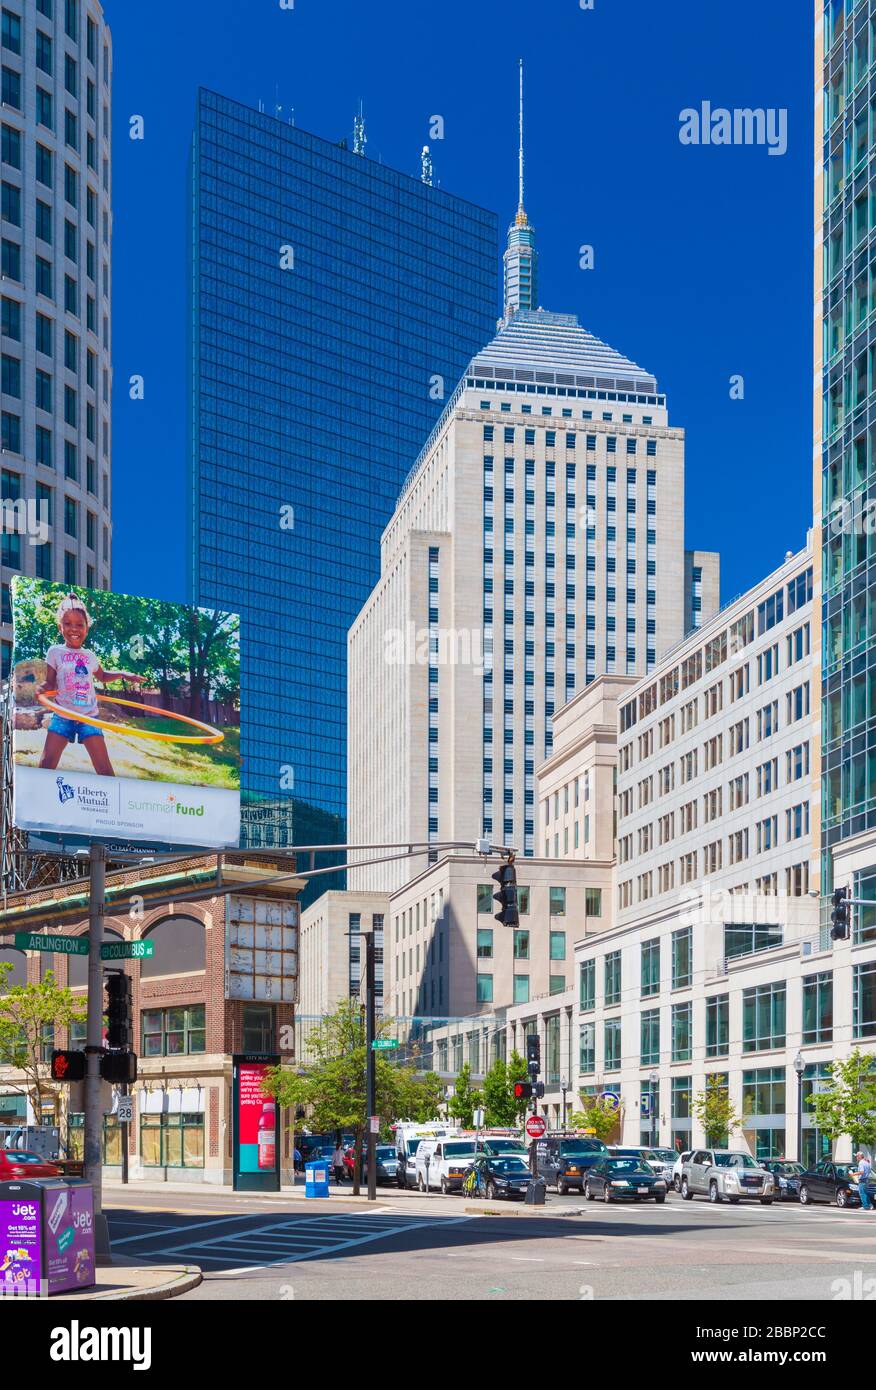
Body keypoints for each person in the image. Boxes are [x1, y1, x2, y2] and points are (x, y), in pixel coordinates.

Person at [36, 593, 143, 777]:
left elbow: (102, 676)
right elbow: (50, 681)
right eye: (67, 624)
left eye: (79, 625)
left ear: (87, 628)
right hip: (63, 715)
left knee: (105, 771)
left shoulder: (89, 655)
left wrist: (123, 674)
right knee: (46, 766)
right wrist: (41, 690)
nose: (74, 629)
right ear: (59, 627)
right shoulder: (55, 652)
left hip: (89, 717)